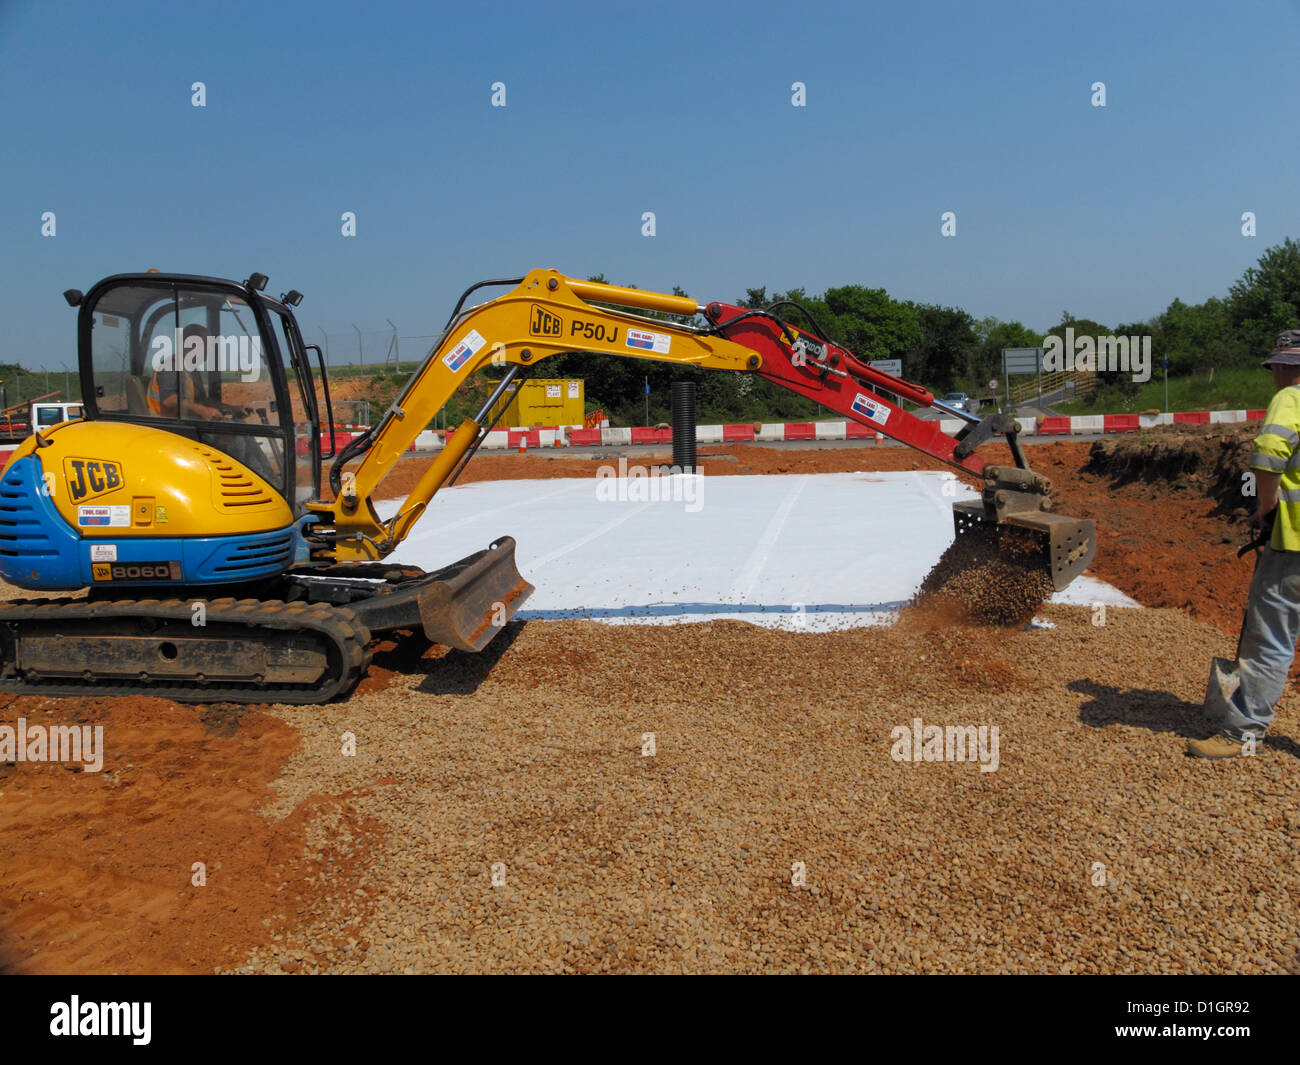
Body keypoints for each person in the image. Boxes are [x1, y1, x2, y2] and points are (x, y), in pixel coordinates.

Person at [1189, 329, 1300, 758]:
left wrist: (1267, 506)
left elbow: (1270, 450)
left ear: (1284, 366)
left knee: (1271, 637)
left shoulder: (1291, 396)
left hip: (1293, 541)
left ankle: (1243, 734)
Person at [147, 323, 225, 420]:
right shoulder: (170, 365)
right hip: (164, 427)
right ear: (192, 345)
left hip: (185, 423)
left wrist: (233, 408)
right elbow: (168, 400)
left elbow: (203, 401)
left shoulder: (192, 369)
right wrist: (202, 410)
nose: (209, 350)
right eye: (207, 345)